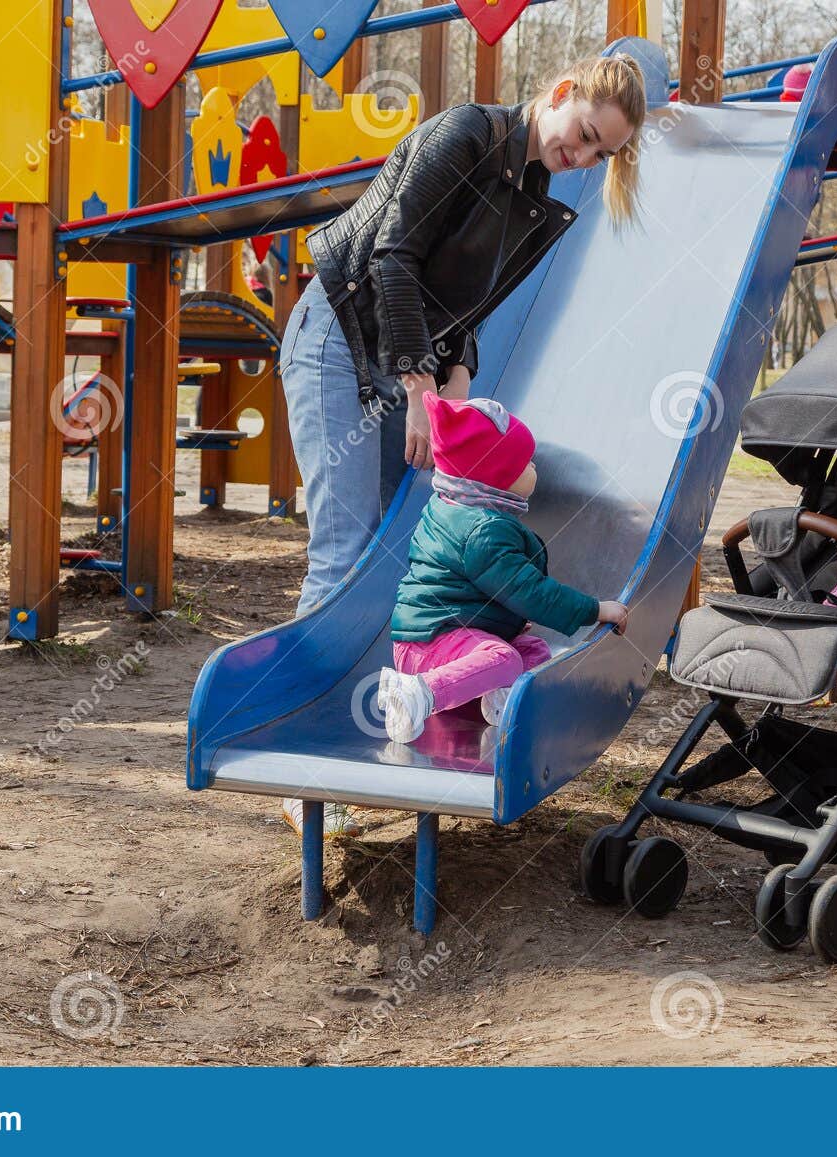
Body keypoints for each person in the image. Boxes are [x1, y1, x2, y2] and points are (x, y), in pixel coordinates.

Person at [276, 54, 647, 837]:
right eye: (582, 135)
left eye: (598, 154)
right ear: (558, 94)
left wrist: (454, 390)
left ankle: (378, 725)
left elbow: (467, 311)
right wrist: (418, 385)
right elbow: (391, 256)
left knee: (391, 553)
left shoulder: (535, 201)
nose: (580, 158)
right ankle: (301, 761)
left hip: (397, 363)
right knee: (343, 549)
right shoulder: (466, 136)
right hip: (337, 338)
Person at [376, 395, 628, 744]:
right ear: (495, 477)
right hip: (429, 643)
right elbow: (529, 591)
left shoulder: (456, 505)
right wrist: (594, 609)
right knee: (504, 658)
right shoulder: (483, 531)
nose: (535, 468)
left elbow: (473, 588)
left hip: (450, 633)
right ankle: (418, 694)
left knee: (534, 651)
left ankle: (499, 699)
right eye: (525, 464)